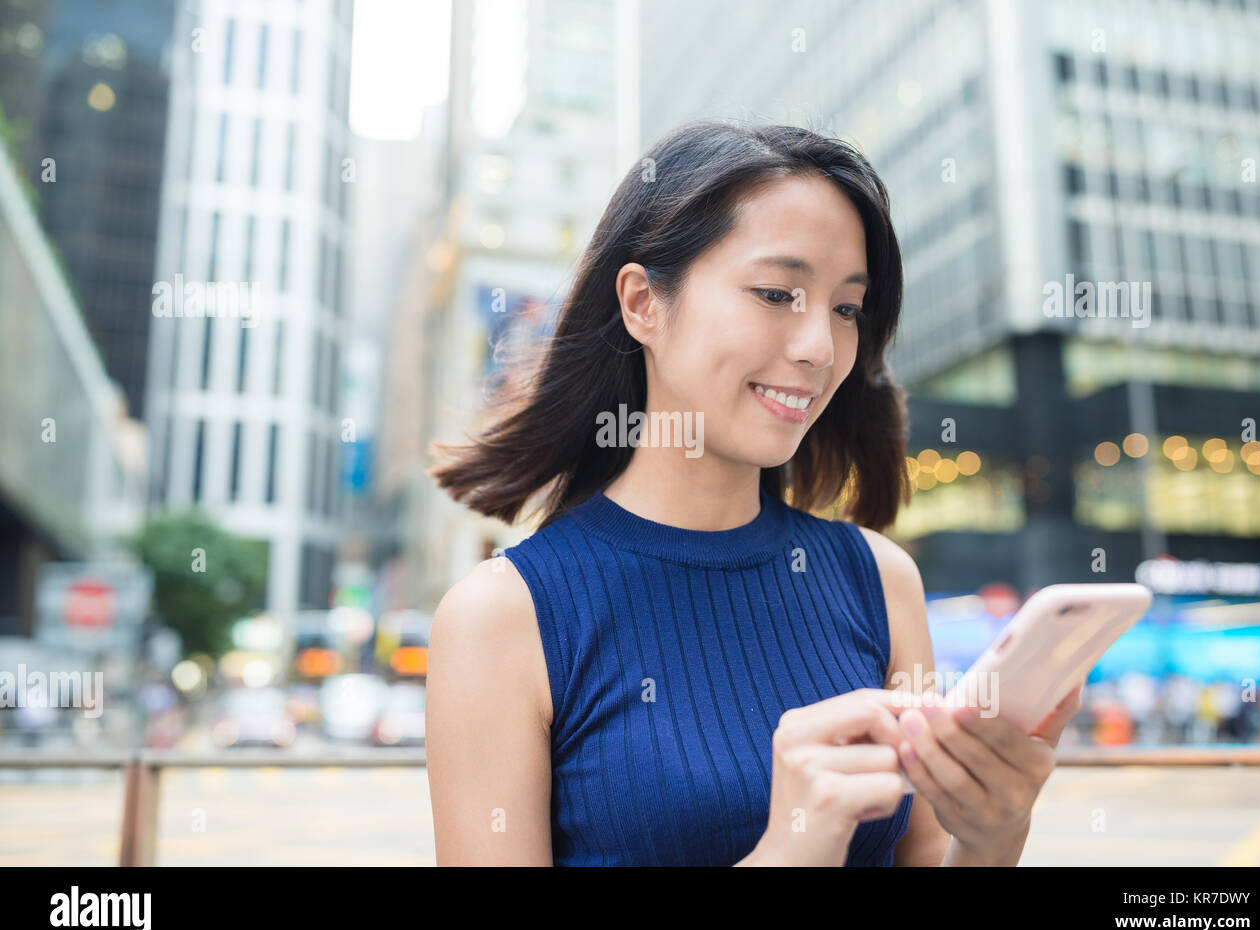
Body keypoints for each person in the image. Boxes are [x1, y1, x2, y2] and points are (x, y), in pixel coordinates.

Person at [424, 120, 1082, 867]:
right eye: (777, 293)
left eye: (846, 308)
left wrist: (994, 836)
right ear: (644, 303)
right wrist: (793, 847)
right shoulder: (501, 618)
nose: (819, 348)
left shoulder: (879, 580)